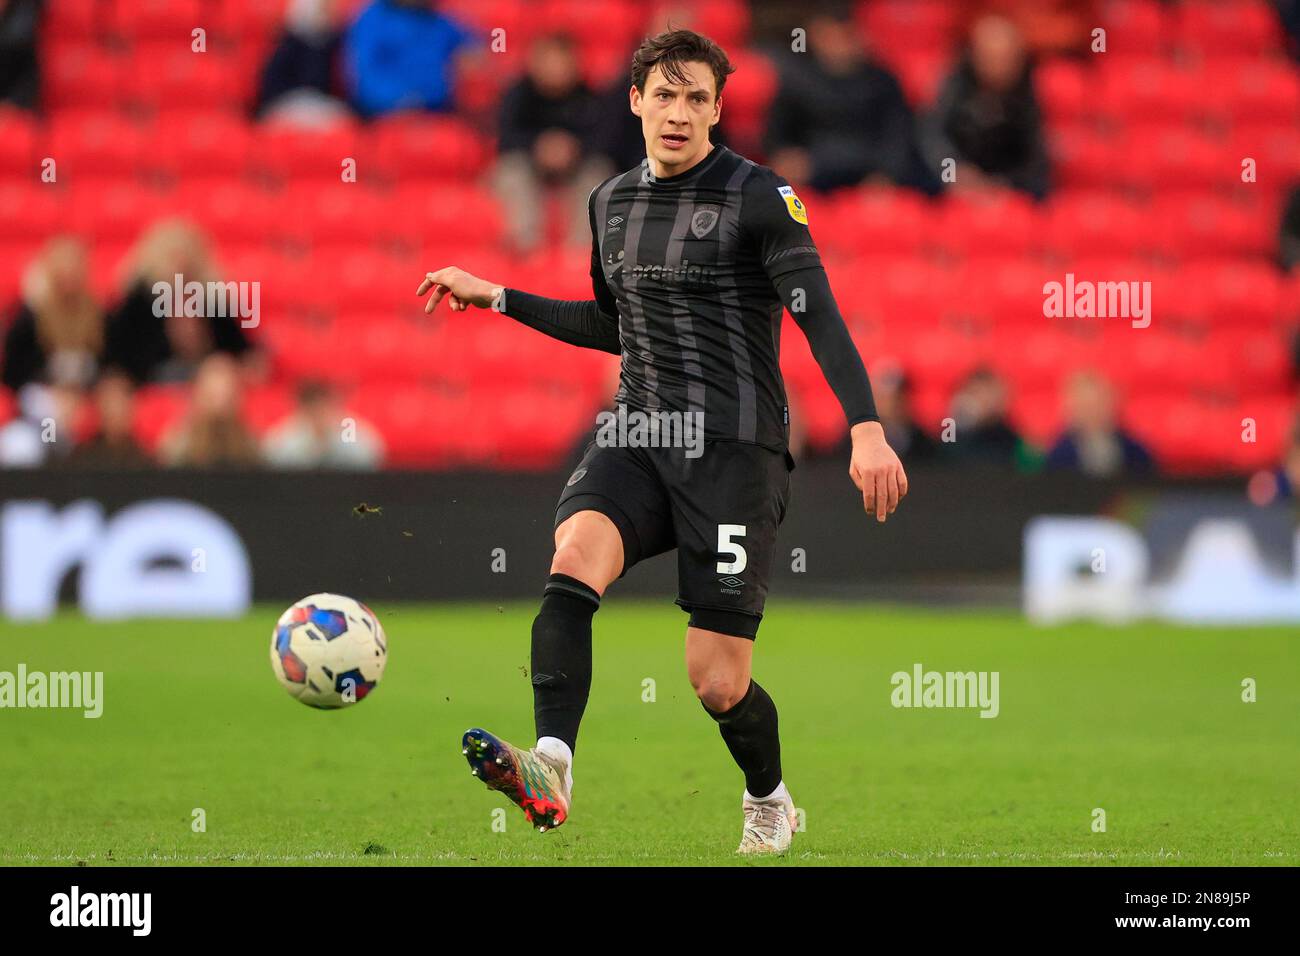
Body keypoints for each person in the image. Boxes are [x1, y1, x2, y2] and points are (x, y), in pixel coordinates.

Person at [417, 29, 907, 854]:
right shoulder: (609, 202)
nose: (679, 113)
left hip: (736, 450)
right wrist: (497, 295)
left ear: (717, 109)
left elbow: (816, 316)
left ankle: (769, 796)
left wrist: (866, 428)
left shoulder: (760, 196)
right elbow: (615, 325)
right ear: (636, 101)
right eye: (664, 95)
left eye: (696, 98)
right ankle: (551, 763)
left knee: (716, 682)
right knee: (574, 553)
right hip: (640, 428)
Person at [763, 8, 936, 194]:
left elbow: (898, 136)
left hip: (870, 173)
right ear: (814, 37)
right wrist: (786, 159)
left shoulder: (883, 81)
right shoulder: (796, 81)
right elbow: (778, 137)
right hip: (813, 173)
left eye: (844, 36)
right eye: (828, 37)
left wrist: (887, 174)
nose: (837, 46)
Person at [492, 32, 613, 253]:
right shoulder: (517, 94)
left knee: (598, 173)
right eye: (548, 61)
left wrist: (573, 149)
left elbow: (605, 141)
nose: (555, 69)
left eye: (561, 61)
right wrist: (538, 146)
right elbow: (505, 138)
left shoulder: (592, 96)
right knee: (512, 171)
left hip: (576, 167)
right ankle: (526, 248)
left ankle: (581, 253)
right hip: (529, 165)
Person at [102, 220, 258, 385]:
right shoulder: (139, 303)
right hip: (149, 380)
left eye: (186, 257)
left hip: (203, 381)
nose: (181, 265)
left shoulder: (212, 300)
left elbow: (239, 350)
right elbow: (120, 356)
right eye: (173, 257)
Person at [923, 14, 1051, 199]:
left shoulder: (1029, 97)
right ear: (974, 56)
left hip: (1009, 194)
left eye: (1006, 59)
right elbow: (934, 139)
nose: (998, 67)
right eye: (990, 58)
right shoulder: (954, 88)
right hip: (952, 187)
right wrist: (955, 173)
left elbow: (1035, 161)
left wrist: (1006, 184)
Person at [2, 236, 104, 391]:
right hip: (41, 395)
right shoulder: (31, 317)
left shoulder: (98, 314)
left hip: (87, 394)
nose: (69, 275)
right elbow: (14, 374)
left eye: (74, 268)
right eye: (63, 268)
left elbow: (108, 366)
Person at [342, 0, 472, 119]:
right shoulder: (371, 20)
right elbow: (364, 78)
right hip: (383, 114)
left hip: (438, 110)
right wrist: (403, 100)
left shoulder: (440, 19)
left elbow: (473, 45)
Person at [254, 0, 351, 126]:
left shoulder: (335, 44)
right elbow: (271, 84)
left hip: (321, 104)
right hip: (289, 103)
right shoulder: (290, 44)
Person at [159, 353, 260, 468]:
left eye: (226, 399)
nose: (219, 408)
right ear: (197, 395)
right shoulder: (177, 446)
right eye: (212, 397)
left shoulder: (251, 447)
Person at [1044, 370, 1152, 477]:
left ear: (1112, 404)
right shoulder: (1058, 454)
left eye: (1098, 404)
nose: (1092, 413)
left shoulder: (1135, 450)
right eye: (1085, 406)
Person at [262, 379, 384, 469]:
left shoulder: (350, 427)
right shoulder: (286, 432)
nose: (319, 412)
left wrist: (332, 438)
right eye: (313, 406)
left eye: (323, 406)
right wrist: (312, 443)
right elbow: (273, 459)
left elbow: (370, 456)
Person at [65, 371, 153, 468]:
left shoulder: (145, 460)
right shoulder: (80, 459)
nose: (113, 410)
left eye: (119, 402)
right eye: (107, 401)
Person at [945, 366, 1024, 465]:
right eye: (971, 392)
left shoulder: (1011, 441)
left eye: (981, 394)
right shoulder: (952, 432)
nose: (975, 400)